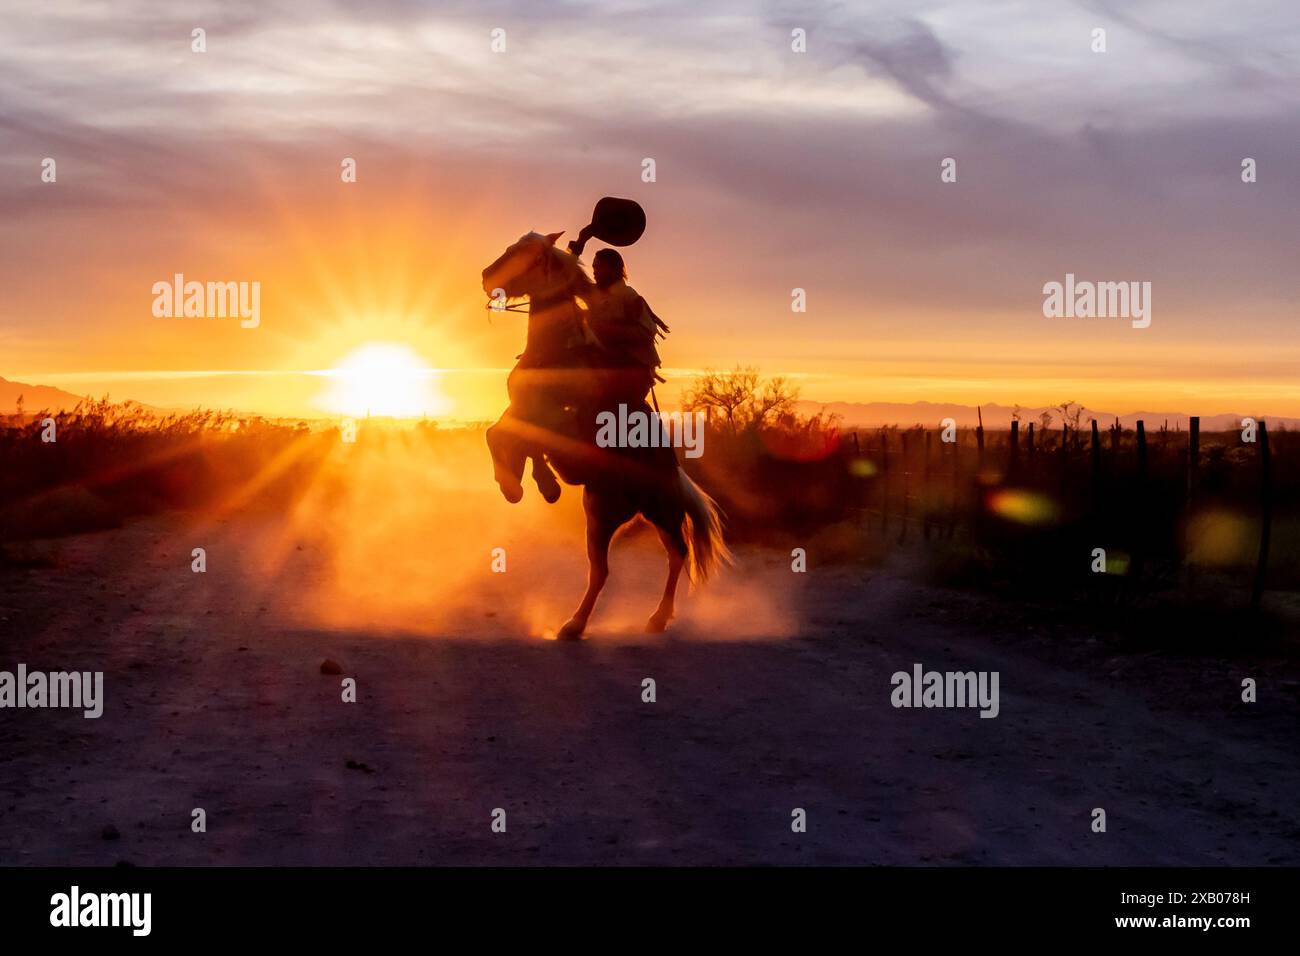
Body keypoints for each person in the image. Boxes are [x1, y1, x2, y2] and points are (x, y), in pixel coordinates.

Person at [580, 248, 668, 414]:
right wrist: (576, 246)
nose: (595, 272)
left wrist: (610, 330)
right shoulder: (594, 293)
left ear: (613, 269)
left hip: (633, 371)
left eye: (599, 268)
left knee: (614, 411)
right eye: (594, 268)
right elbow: (570, 280)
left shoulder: (629, 296)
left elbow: (648, 331)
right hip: (605, 368)